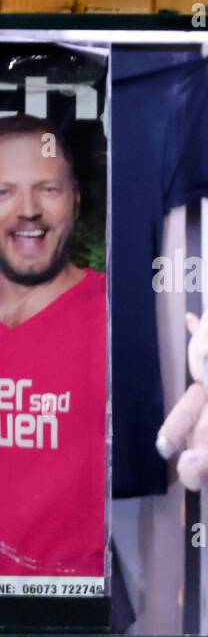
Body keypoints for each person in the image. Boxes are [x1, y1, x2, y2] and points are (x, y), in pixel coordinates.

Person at [0, 114, 108, 582]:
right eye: (3, 192)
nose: (27, 210)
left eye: (48, 189)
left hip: (77, 618)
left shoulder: (117, 318)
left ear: (76, 199)